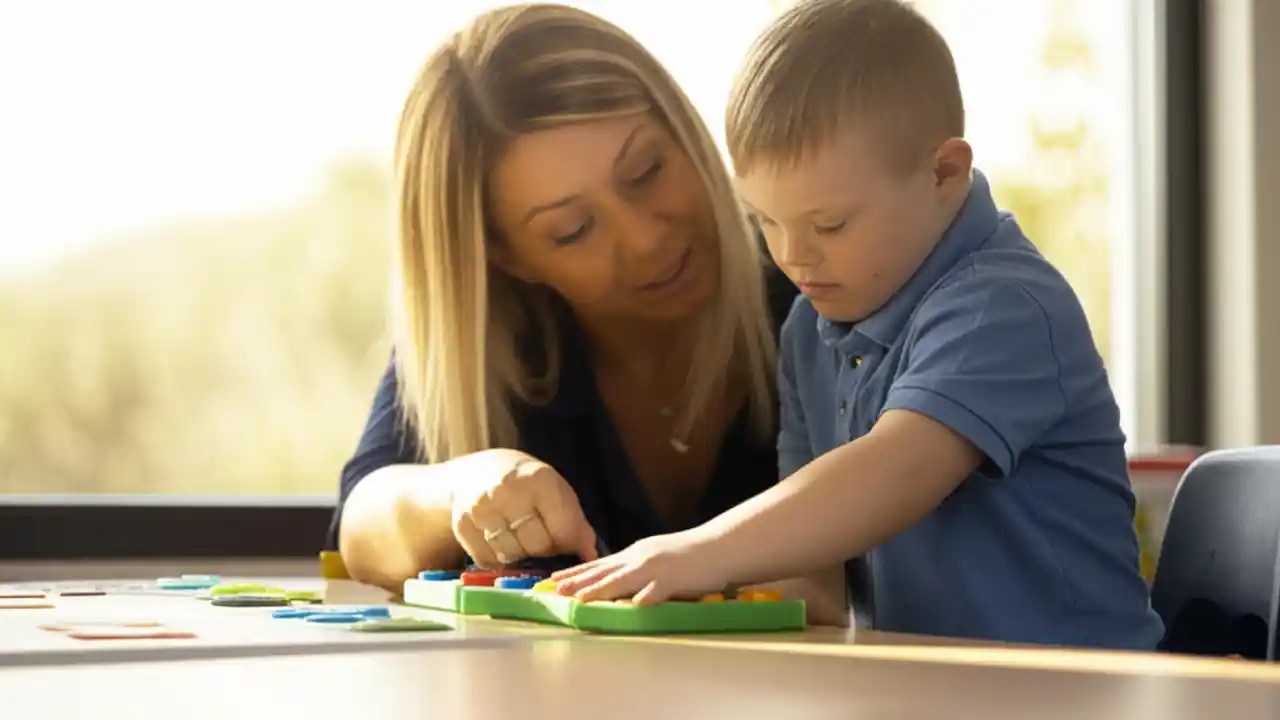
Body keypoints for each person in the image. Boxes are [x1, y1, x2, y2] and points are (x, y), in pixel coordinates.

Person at [552, 0, 1165, 649]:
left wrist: (694, 552)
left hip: (1082, 691)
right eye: (765, 219)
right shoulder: (809, 327)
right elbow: (810, 577)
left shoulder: (1003, 306)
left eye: (830, 225)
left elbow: (895, 473)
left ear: (943, 174)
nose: (791, 256)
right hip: (925, 686)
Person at [328, 3, 847, 623]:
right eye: (572, 230)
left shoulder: (824, 280)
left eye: (646, 171)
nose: (644, 238)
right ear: (507, 258)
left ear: (684, 129)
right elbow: (362, 527)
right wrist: (464, 487)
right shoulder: (502, 342)